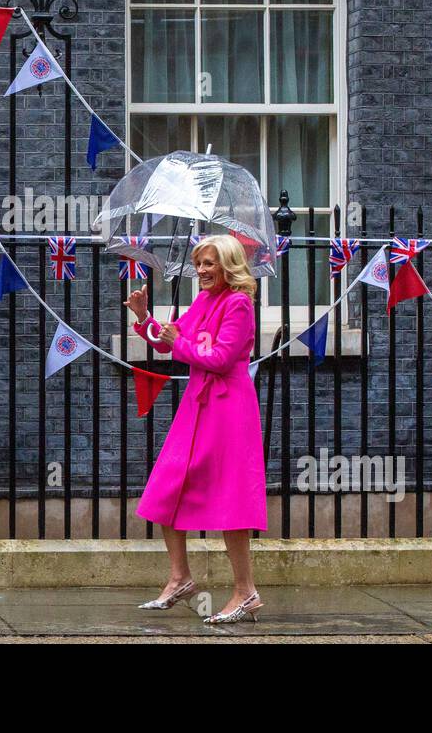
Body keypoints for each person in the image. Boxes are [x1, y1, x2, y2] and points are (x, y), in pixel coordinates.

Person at [125, 233, 267, 624]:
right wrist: (144, 318)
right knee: (167, 484)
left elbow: (220, 358)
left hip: (228, 408)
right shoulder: (204, 300)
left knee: (231, 496)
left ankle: (246, 591)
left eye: (209, 263)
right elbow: (169, 344)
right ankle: (180, 577)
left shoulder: (238, 304)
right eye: (199, 263)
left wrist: (179, 342)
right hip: (198, 405)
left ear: (228, 266)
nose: (201, 270)